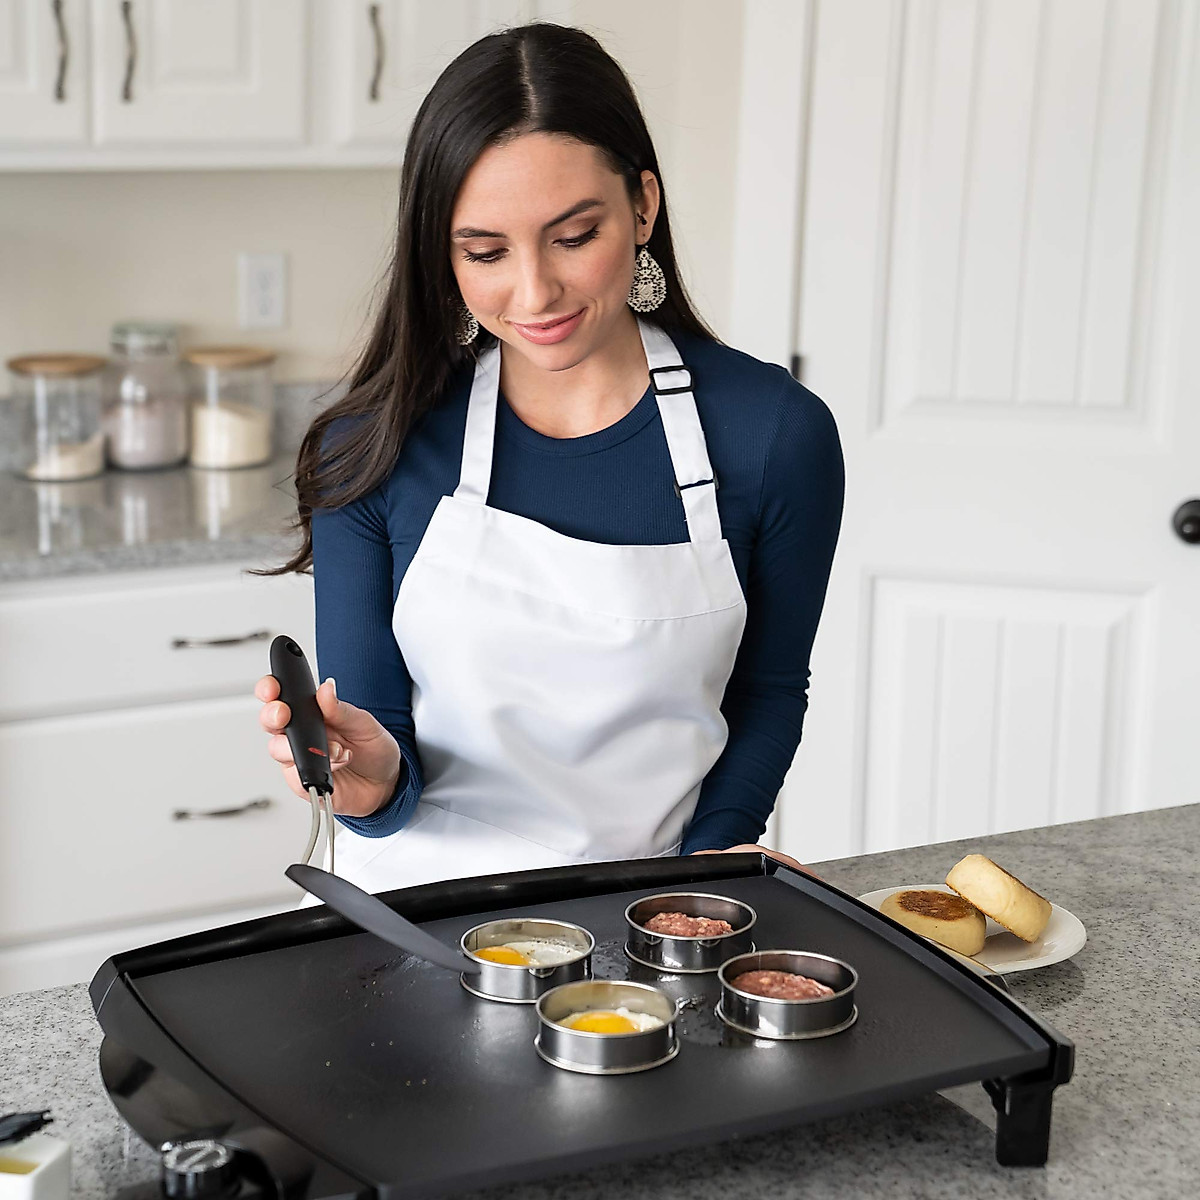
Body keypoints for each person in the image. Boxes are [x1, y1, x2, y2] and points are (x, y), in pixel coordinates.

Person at [256, 22, 844, 891]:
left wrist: (712, 862)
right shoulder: (374, 447)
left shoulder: (774, 435)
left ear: (643, 206)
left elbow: (768, 691)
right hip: (413, 919)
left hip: (649, 917)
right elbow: (380, 767)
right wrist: (364, 779)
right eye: (485, 252)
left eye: (573, 236)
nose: (534, 293)